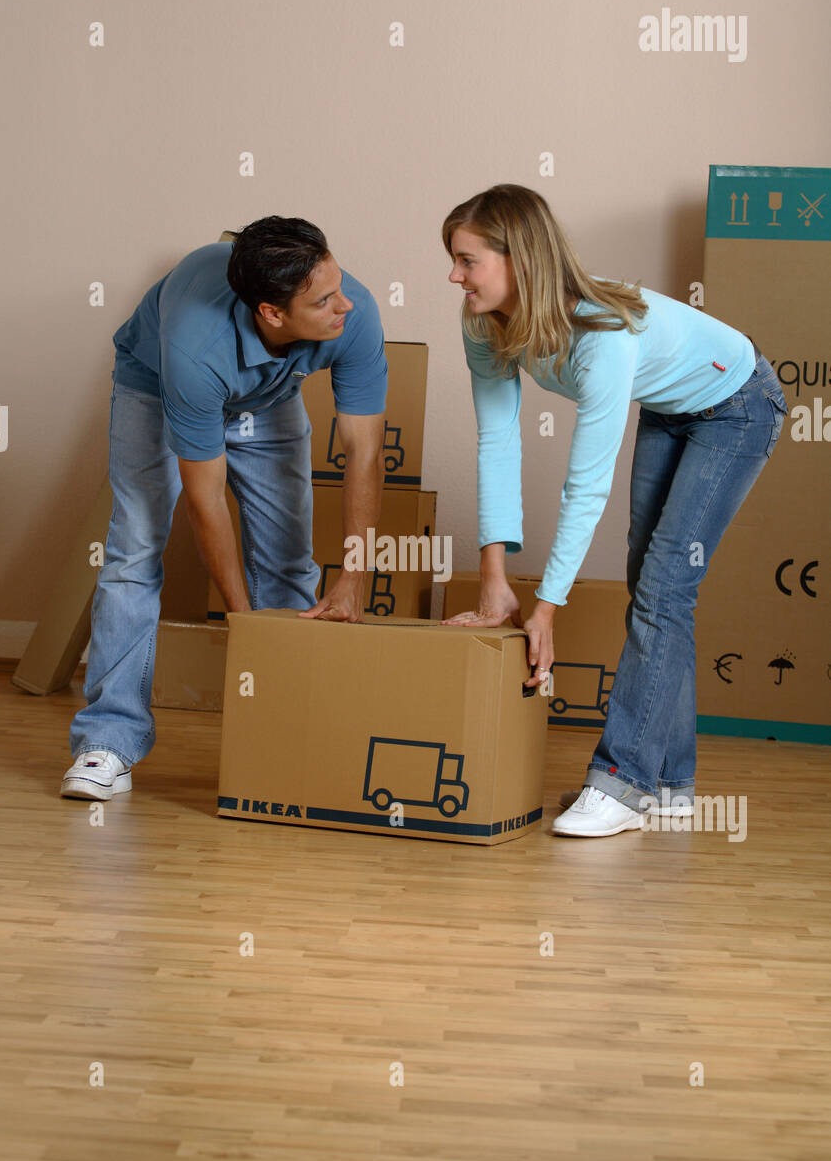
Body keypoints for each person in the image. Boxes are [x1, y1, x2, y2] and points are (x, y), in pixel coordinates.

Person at [441, 184, 788, 837]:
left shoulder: (600, 331)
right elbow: (497, 439)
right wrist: (494, 582)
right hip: (671, 407)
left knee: (663, 587)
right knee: (655, 587)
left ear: (519, 258)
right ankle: (670, 785)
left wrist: (546, 606)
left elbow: (586, 485)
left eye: (467, 260)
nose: (454, 275)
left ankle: (622, 782)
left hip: (738, 404)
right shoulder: (481, 320)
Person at [61, 217, 388, 801]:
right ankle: (107, 742)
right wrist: (242, 620)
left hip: (270, 394)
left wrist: (355, 574)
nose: (345, 304)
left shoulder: (351, 312)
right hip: (159, 383)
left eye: (339, 284)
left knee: (290, 559)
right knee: (134, 549)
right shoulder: (196, 345)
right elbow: (206, 499)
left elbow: (363, 451)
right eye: (323, 300)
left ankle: (288, 732)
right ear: (272, 313)